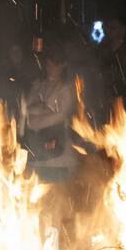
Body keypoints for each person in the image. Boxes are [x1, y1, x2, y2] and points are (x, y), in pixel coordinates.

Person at [21, 52, 79, 184]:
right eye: (48, 65)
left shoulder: (66, 87)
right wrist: (46, 109)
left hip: (58, 156)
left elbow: (61, 115)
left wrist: (38, 115)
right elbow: (26, 108)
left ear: (62, 65)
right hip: (36, 150)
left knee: (58, 195)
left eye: (54, 65)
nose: (50, 68)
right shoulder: (39, 84)